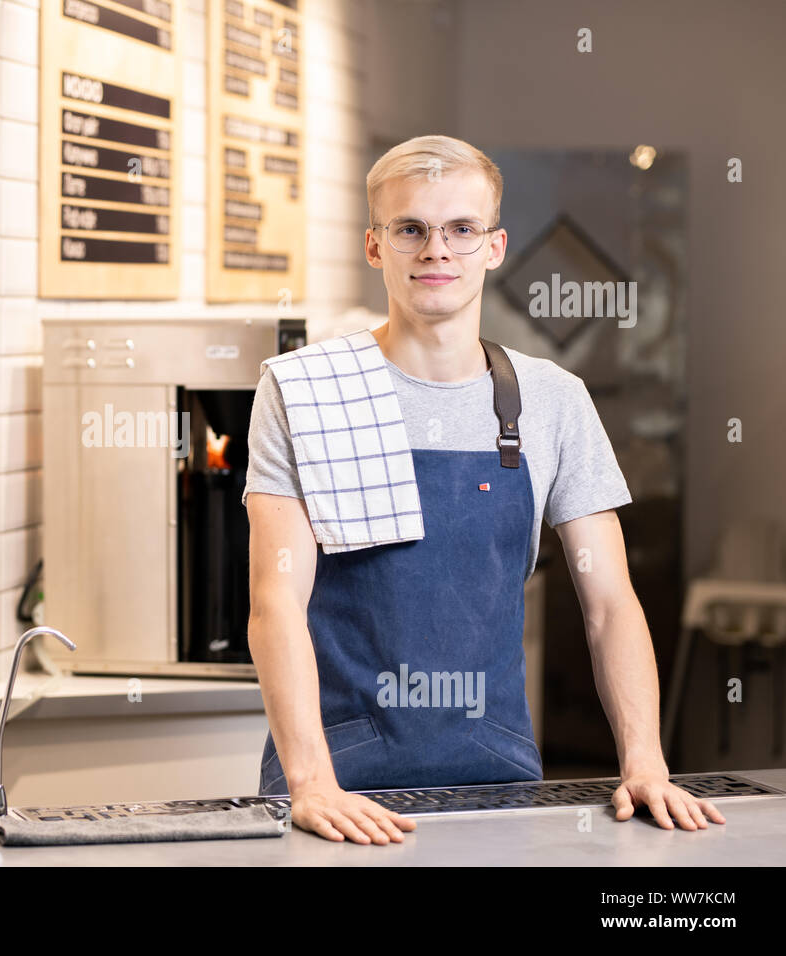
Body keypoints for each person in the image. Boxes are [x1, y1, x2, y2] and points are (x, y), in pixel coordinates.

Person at [243, 134, 725, 844]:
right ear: (375, 247)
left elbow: (610, 604)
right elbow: (274, 602)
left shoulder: (552, 400)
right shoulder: (303, 391)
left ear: (494, 247)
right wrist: (313, 784)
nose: (437, 250)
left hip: (495, 784)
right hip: (334, 790)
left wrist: (644, 760)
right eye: (410, 229)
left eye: (461, 229)